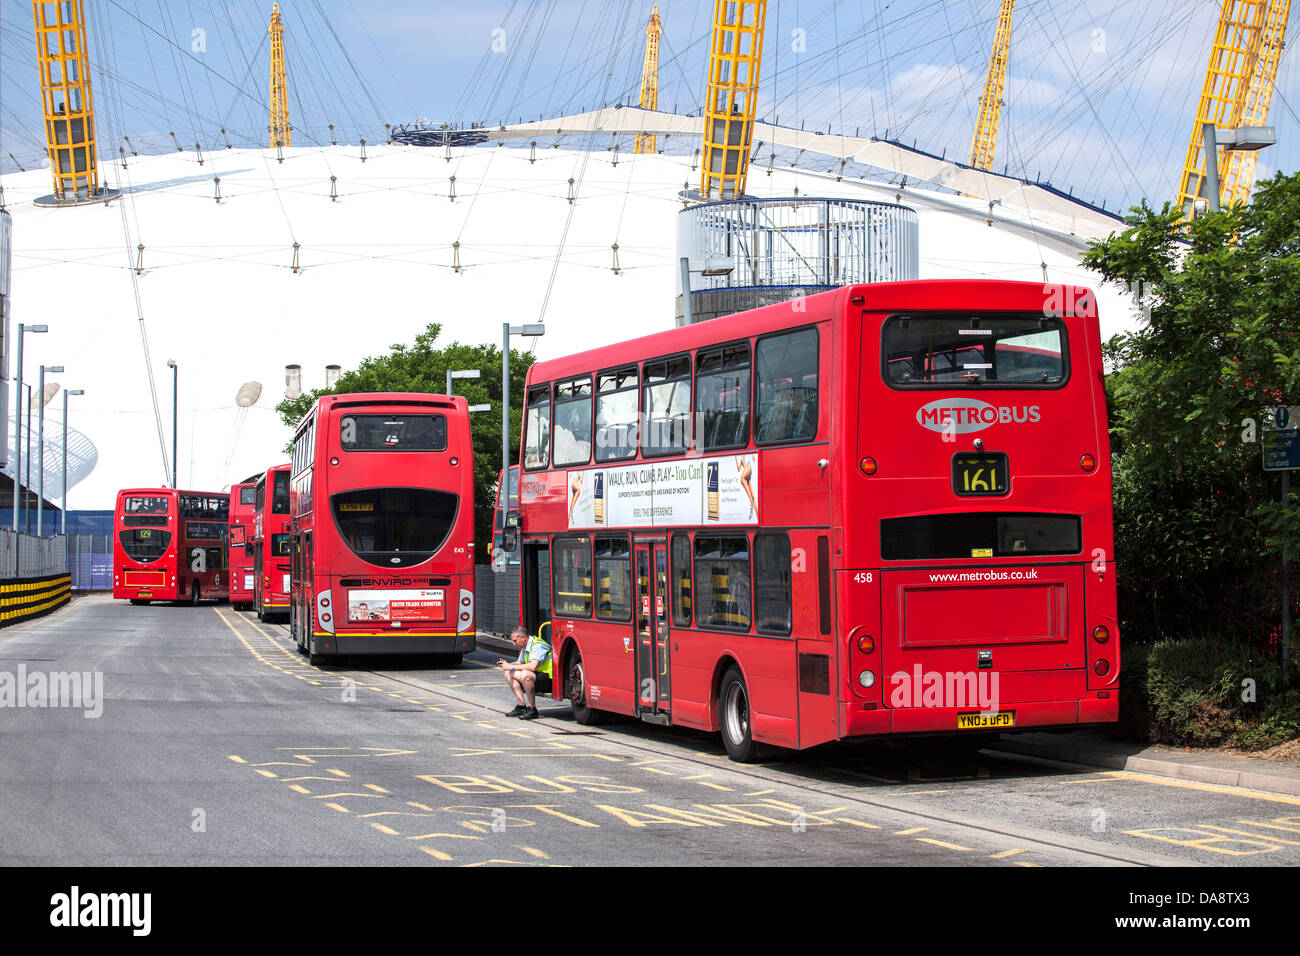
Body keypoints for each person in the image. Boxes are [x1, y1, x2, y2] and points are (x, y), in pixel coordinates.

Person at [499, 625, 552, 719]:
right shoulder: (525, 646)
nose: (513, 644)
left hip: (549, 678)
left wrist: (510, 666)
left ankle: (532, 709)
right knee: (508, 673)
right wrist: (507, 665)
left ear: (523, 637)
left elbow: (532, 666)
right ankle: (521, 706)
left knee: (525, 675)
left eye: (515, 641)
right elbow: (520, 662)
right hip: (537, 675)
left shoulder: (537, 645)